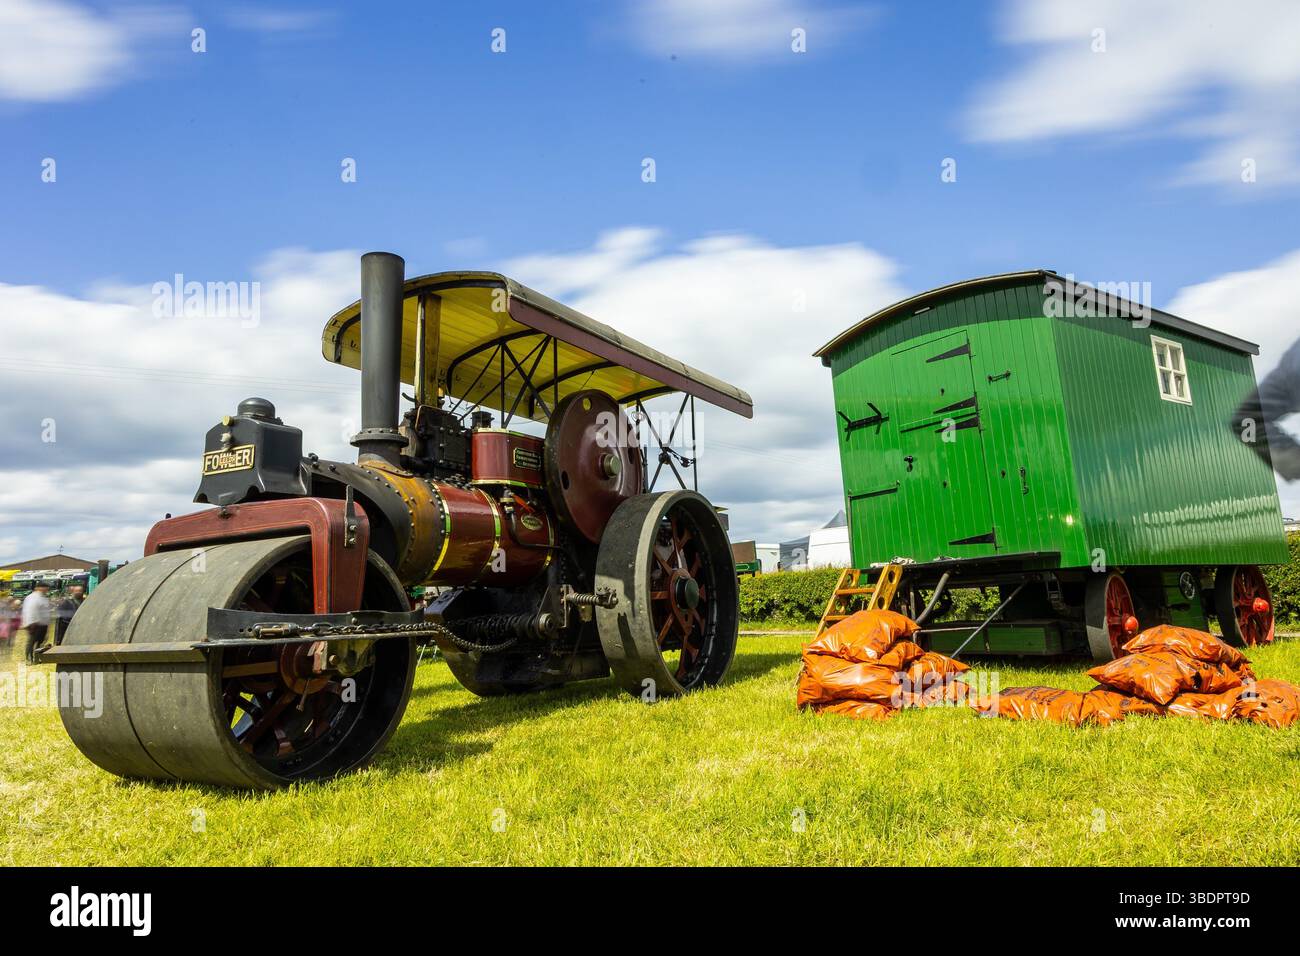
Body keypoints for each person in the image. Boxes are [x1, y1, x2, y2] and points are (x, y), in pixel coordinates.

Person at [21, 581, 52, 664]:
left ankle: (37, 658)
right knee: (32, 642)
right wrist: (31, 623)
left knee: (40, 642)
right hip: (34, 624)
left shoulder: (43, 597)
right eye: (45, 587)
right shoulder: (32, 597)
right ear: (38, 588)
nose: (46, 589)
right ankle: (29, 659)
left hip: (42, 624)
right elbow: (30, 611)